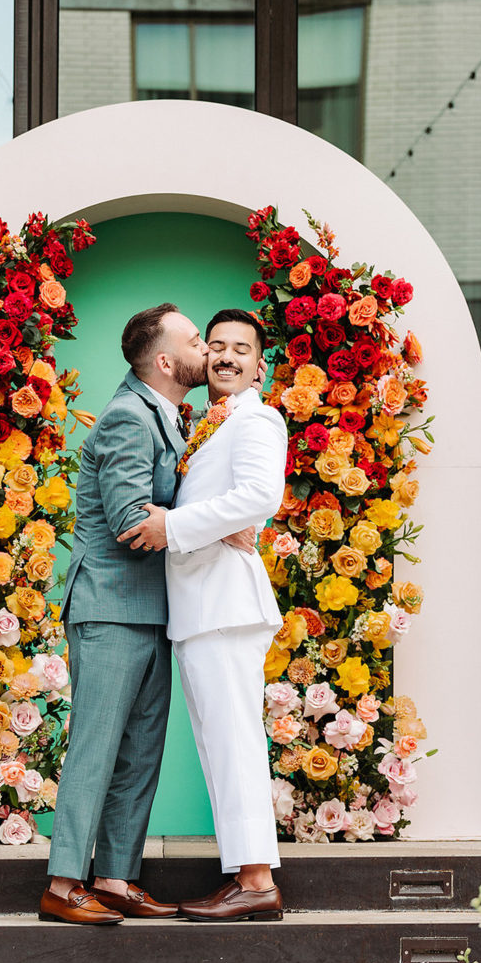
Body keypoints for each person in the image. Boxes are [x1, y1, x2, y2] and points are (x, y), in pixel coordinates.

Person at [40, 303, 251, 925]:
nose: (208, 352)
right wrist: (217, 531)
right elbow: (134, 522)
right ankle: (62, 883)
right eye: (195, 341)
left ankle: (115, 878)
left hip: (152, 608)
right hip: (109, 607)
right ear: (165, 361)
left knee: (140, 751)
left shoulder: (167, 416)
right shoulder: (128, 418)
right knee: (97, 746)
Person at [118, 309, 288, 922]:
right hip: (199, 607)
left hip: (224, 605)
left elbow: (260, 496)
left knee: (233, 741)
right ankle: (244, 872)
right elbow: (233, 505)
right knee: (222, 745)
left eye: (241, 349)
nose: (225, 357)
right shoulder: (206, 425)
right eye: (215, 346)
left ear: (259, 365)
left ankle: (256, 879)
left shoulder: (258, 418)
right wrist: (219, 524)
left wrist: (176, 525)